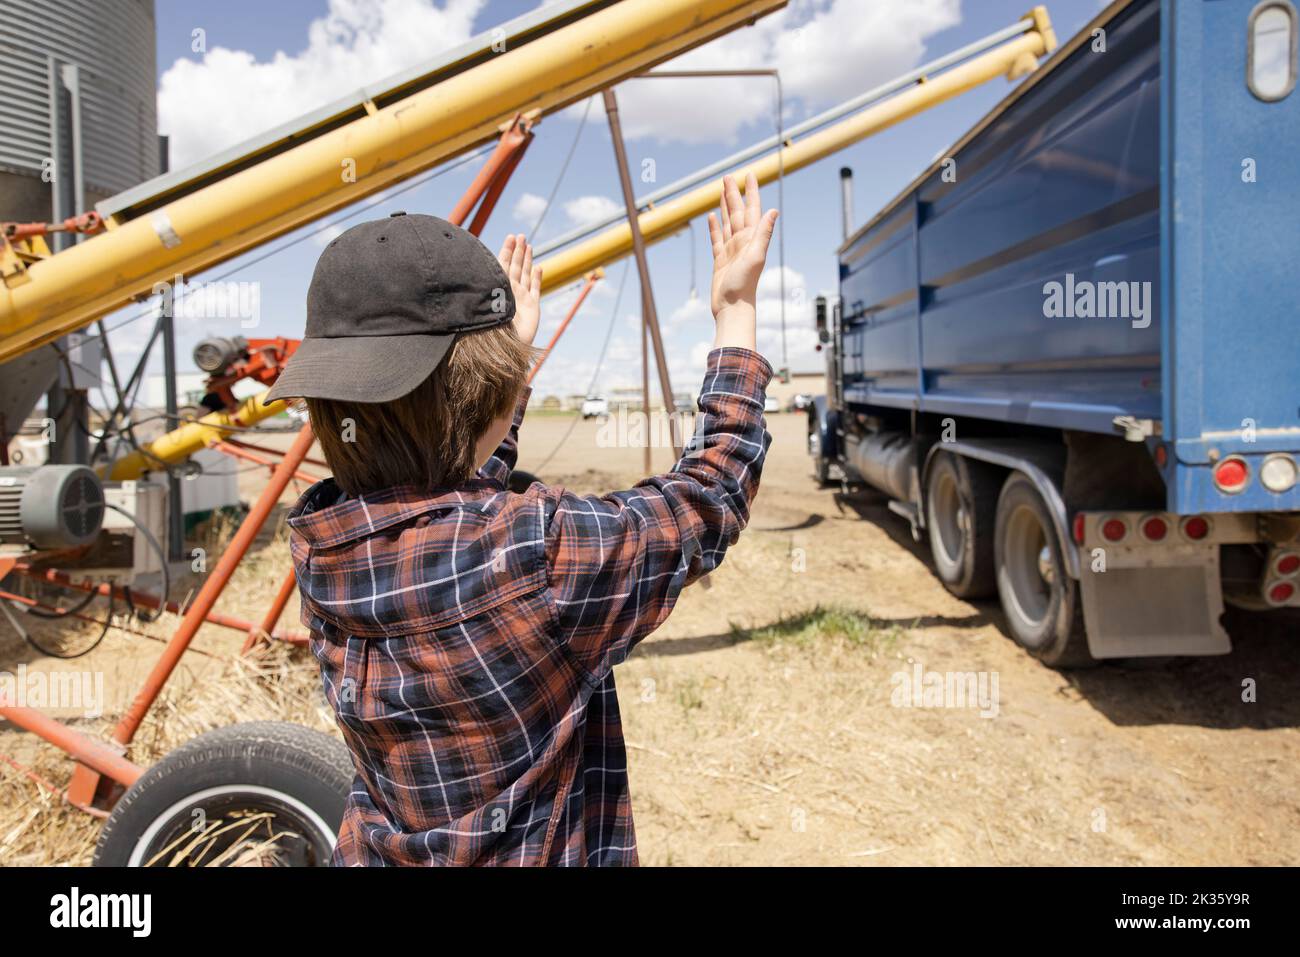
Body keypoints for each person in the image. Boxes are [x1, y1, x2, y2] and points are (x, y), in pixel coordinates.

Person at [266, 173, 778, 865]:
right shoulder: (539, 554)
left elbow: (448, 511)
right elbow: (710, 496)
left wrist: (505, 383)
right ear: (492, 395)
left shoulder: (321, 543)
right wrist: (735, 309)